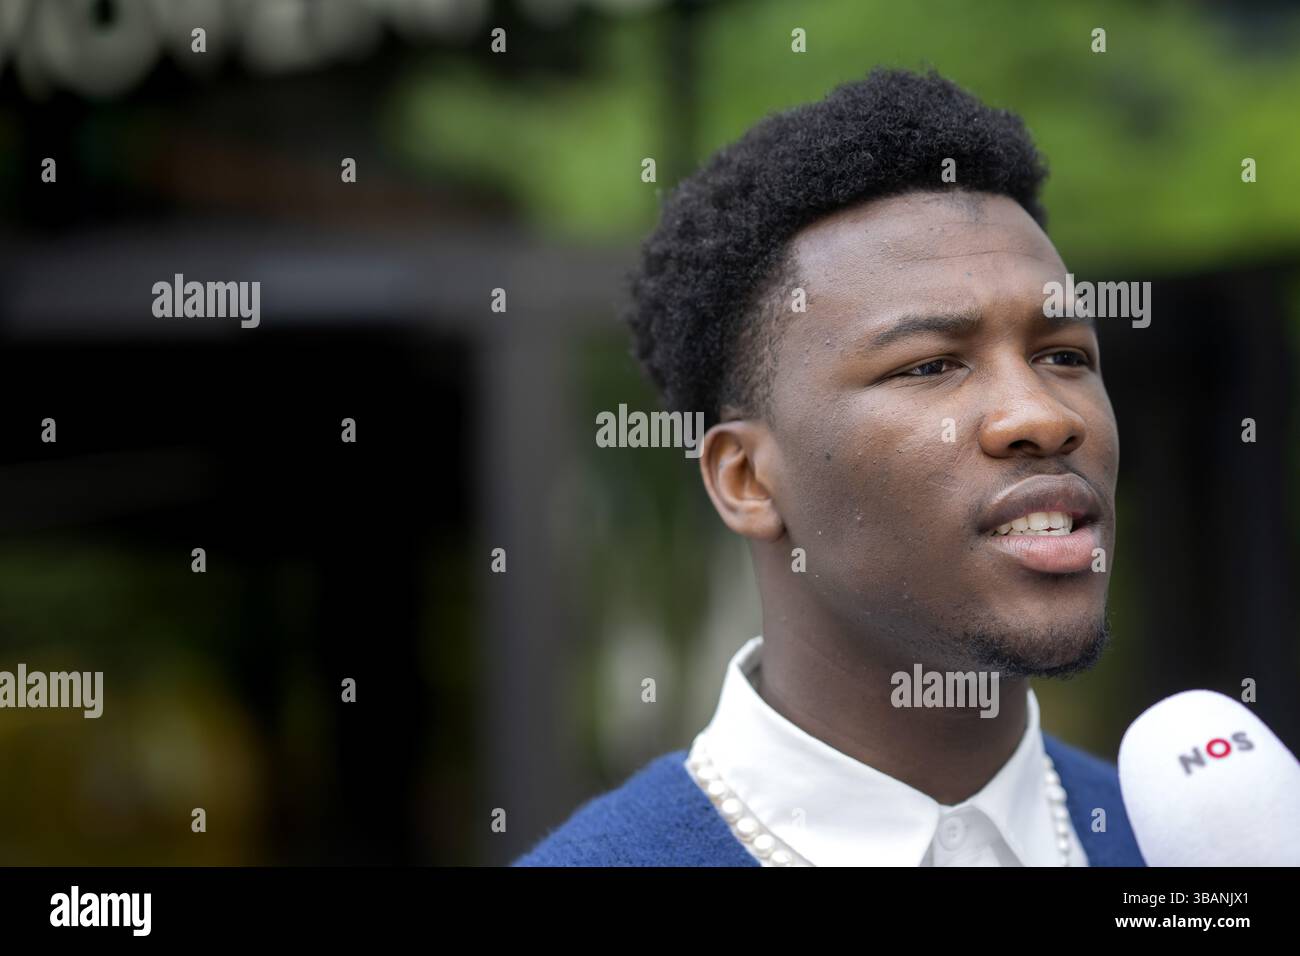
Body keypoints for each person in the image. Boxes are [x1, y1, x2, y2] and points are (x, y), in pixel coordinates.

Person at [513, 67, 1143, 866]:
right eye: (930, 366)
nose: (1045, 416)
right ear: (745, 478)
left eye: (1062, 354)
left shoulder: (1182, 847)